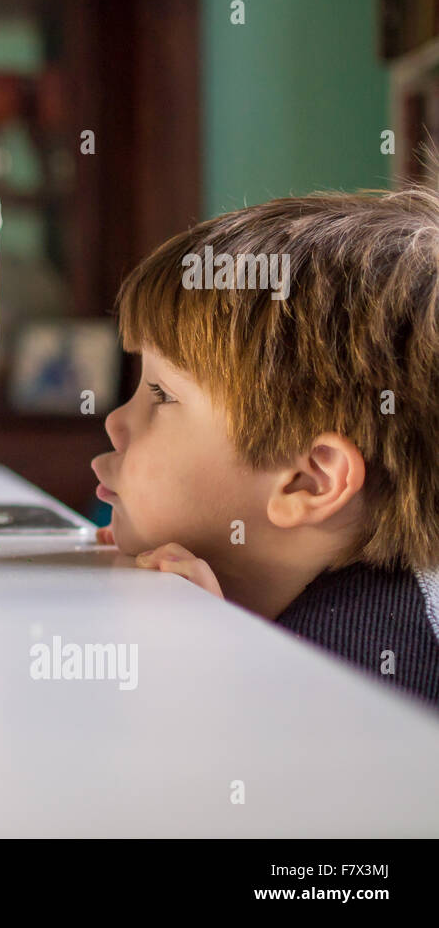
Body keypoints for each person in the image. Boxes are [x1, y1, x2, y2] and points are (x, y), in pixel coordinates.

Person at [91, 190, 439, 707]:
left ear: (309, 481)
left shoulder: (369, 665)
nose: (117, 420)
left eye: (163, 395)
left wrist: (219, 678)